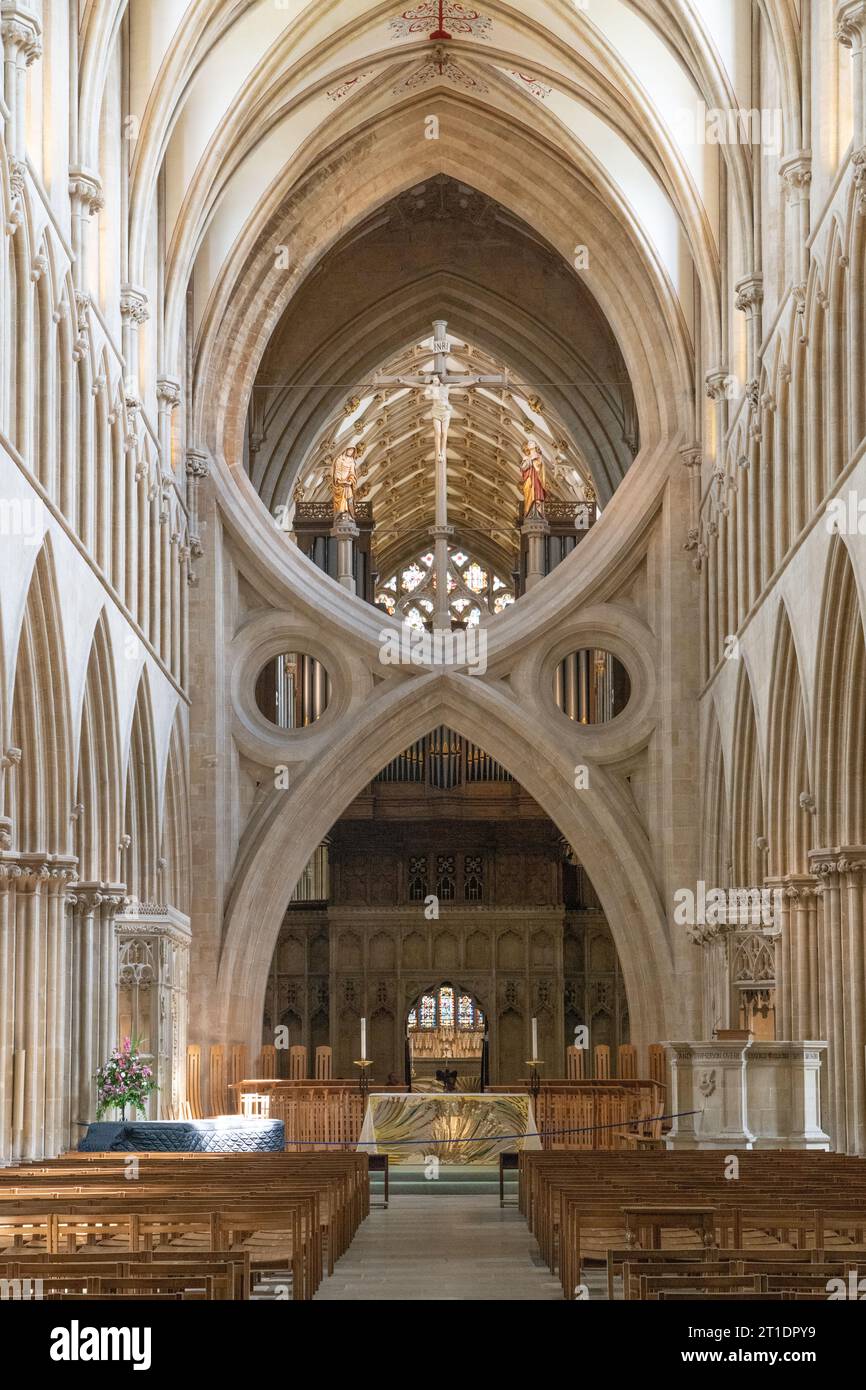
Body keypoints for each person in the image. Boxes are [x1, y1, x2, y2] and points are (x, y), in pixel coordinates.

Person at [520, 437, 547, 519]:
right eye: (530, 444)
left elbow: (539, 468)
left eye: (532, 443)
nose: (531, 444)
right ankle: (529, 512)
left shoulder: (538, 456)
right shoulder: (526, 458)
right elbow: (523, 468)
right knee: (529, 496)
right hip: (529, 480)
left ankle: (539, 512)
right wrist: (530, 459)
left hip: (537, 480)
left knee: (537, 496)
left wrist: (534, 458)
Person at [331, 445, 358, 518]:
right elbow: (337, 471)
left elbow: (352, 472)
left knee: (349, 499)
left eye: (352, 451)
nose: (350, 452)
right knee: (341, 501)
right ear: (346, 450)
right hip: (340, 483)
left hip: (348, 484)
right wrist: (340, 481)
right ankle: (341, 513)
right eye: (349, 450)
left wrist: (350, 481)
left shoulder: (352, 461)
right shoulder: (340, 459)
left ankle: (349, 514)